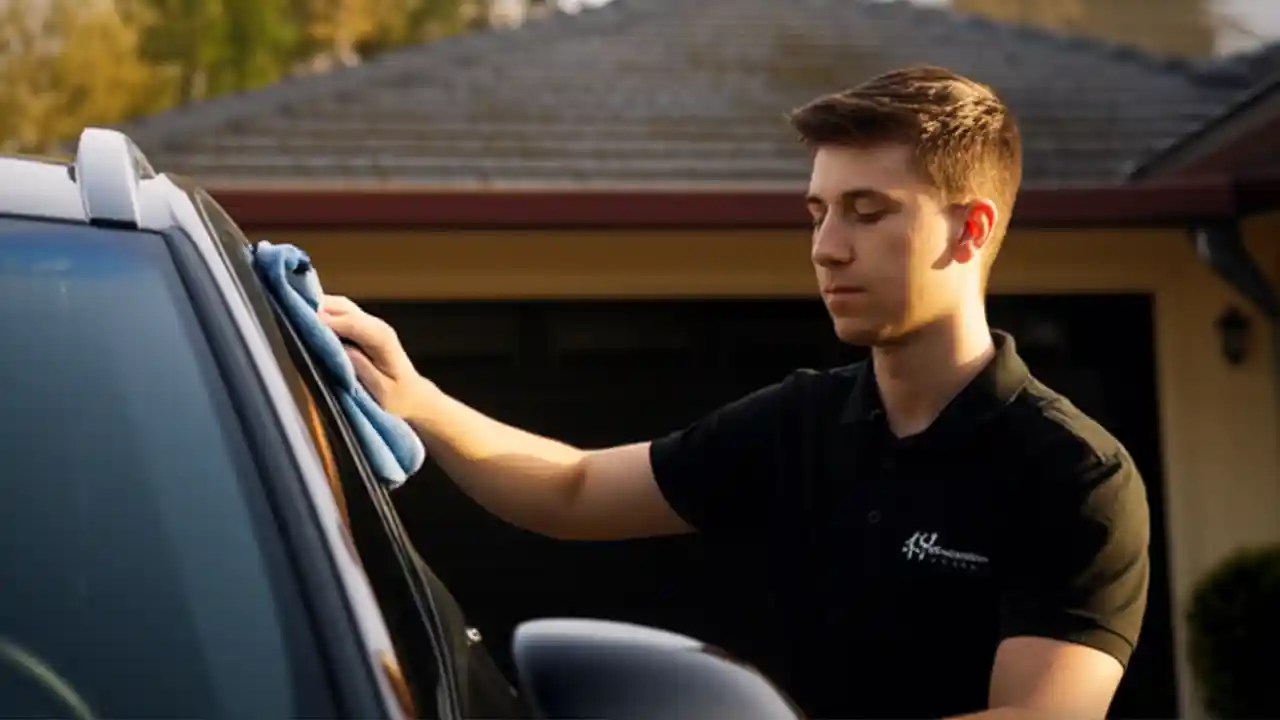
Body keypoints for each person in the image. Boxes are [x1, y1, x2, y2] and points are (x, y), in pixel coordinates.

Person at [319, 65, 1150, 720]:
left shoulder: (1072, 474)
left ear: (970, 230)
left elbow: (1037, 715)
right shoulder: (800, 422)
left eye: (867, 212)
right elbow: (573, 488)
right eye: (818, 212)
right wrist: (418, 399)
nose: (826, 248)